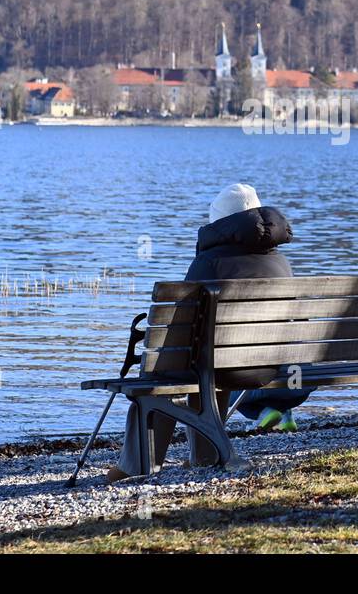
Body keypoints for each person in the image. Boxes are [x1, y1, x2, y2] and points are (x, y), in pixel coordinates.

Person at [108, 183, 310, 482]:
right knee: (212, 362)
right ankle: (205, 456)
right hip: (264, 365)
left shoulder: (209, 262)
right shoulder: (280, 262)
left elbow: (181, 327)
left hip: (220, 364)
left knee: (161, 376)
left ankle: (137, 466)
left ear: (219, 224)